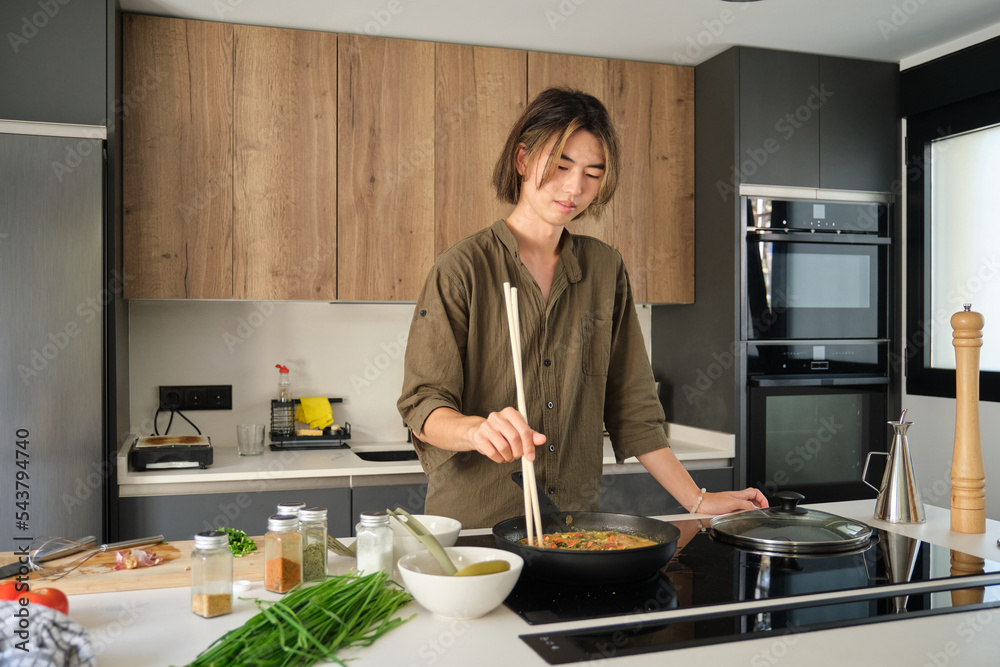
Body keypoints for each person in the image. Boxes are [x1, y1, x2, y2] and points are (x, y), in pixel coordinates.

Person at [397, 87, 767, 528]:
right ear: (522, 160)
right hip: (478, 528)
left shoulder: (604, 268)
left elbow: (633, 405)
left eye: (593, 173)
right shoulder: (462, 268)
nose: (575, 187)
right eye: (561, 165)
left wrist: (697, 500)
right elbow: (423, 406)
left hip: (575, 526)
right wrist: (476, 430)